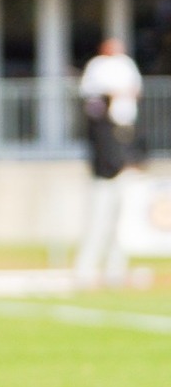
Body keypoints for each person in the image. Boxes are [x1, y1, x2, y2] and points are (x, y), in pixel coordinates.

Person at [77, 37, 143, 286]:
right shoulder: (100, 118)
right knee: (98, 220)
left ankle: (115, 269)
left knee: (121, 223)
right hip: (106, 173)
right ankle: (87, 268)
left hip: (119, 168)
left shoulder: (125, 124)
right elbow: (102, 143)